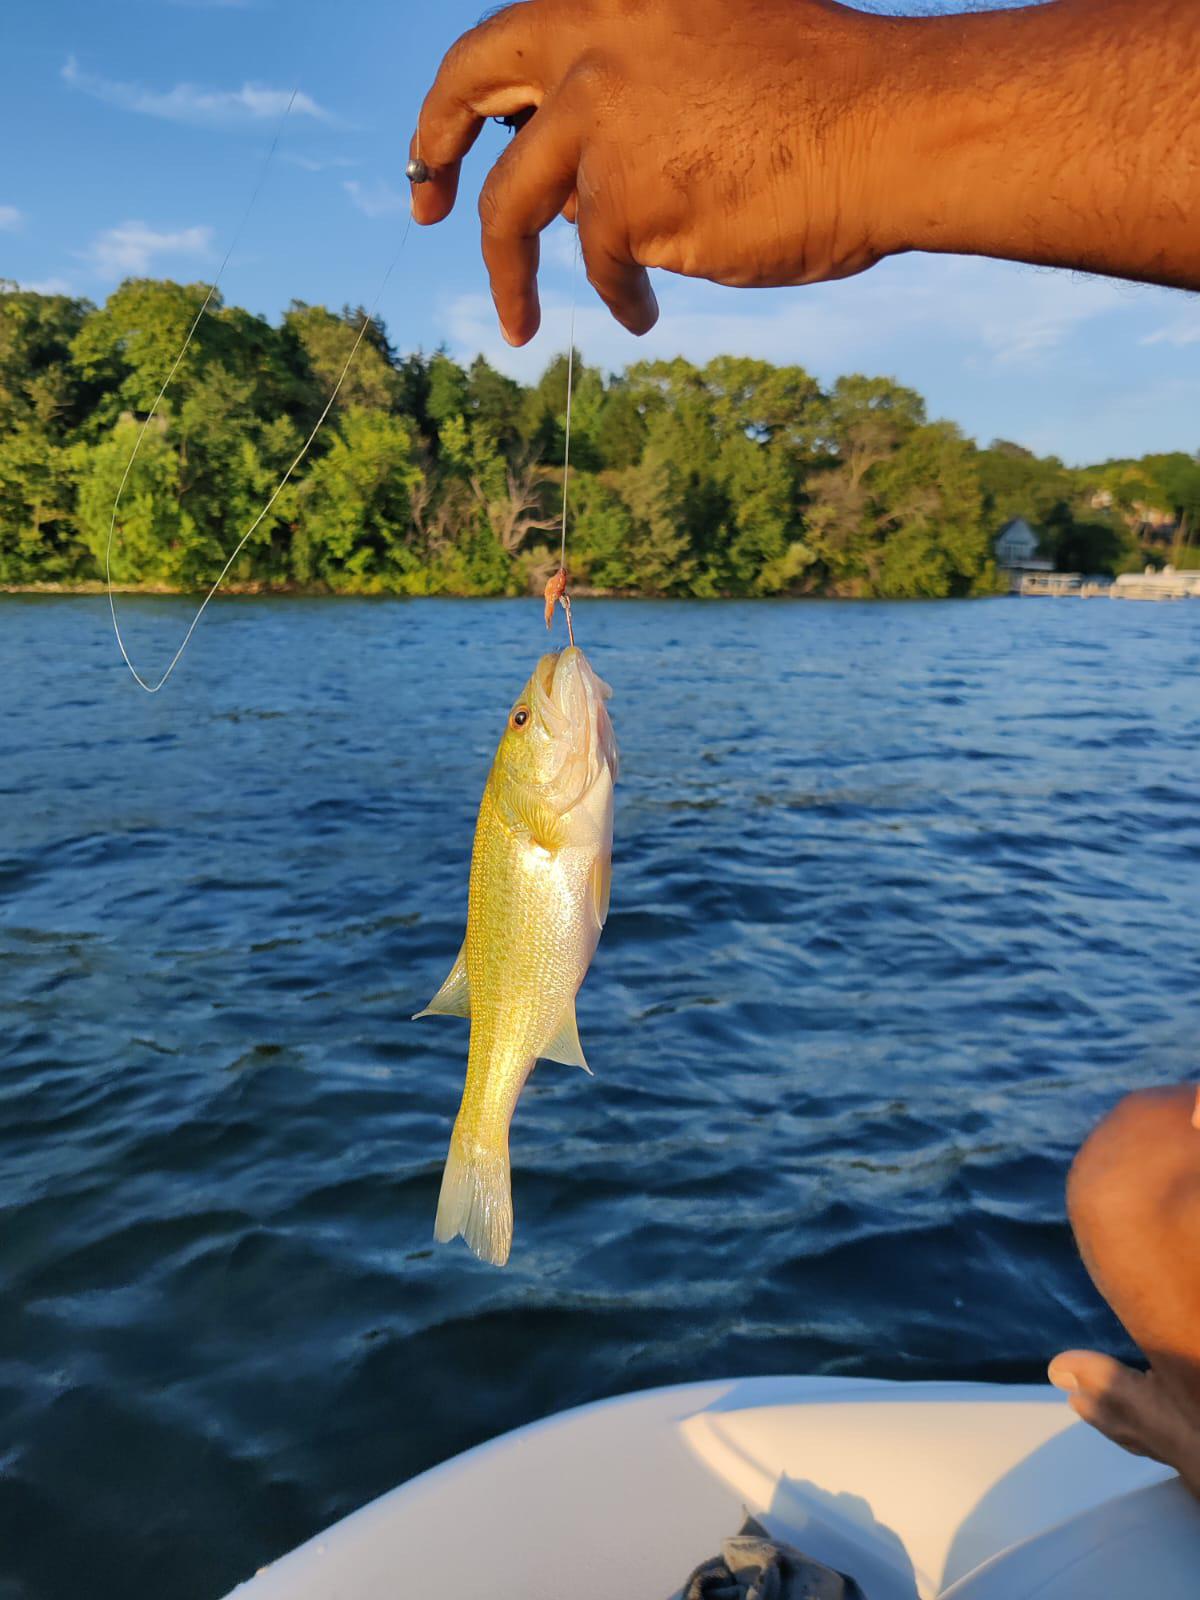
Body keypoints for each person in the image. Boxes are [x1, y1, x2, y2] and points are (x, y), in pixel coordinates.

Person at [408, 0, 1200, 1495]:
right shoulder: (542, 803)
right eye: (531, 725)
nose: (548, 710)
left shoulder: (548, 788)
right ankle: (481, 1138)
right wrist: (864, 118)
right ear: (533, 769)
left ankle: (479, 1143)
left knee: (1141, 1176)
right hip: (528, 939)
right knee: (1142, 1175)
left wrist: (864, 119)